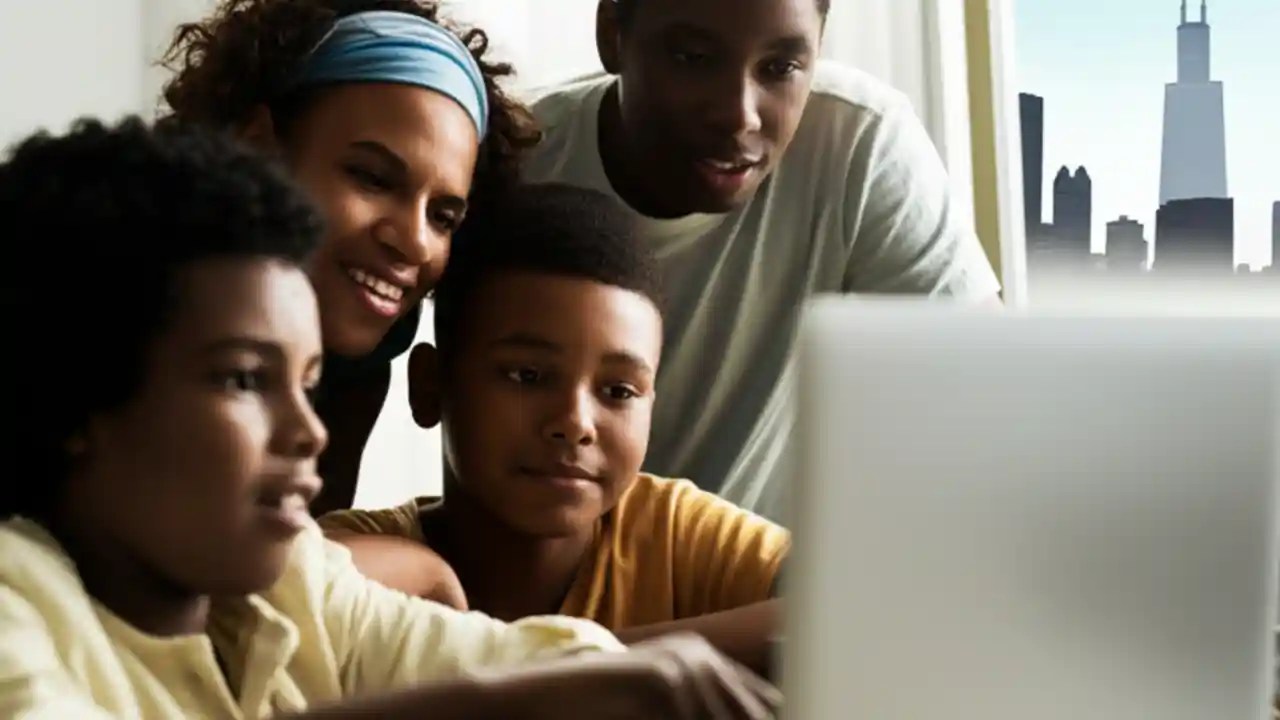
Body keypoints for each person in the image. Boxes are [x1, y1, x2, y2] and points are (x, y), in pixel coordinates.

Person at [0, 118, 782, 719]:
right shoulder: (15, 601)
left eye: (307, 384)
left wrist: (607, 678)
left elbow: (507, 660)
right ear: (81, 395)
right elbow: (498, 693)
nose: (307, 432)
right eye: (243, 379)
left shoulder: (294, 588)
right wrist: (493, 703)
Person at [522, 0, 1003, 521]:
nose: (738, 114)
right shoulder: (511, 155)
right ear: (612, 33)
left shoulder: (858, 143)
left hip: (767, 587)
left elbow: (995, 402)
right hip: (516, 594)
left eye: (780, 68)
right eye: (693, 57)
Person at [320, 183, 789, 677]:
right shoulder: (380, 552)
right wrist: (431, 576)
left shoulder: (676, 537)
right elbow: (282, 594)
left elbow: (860, 615)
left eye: (618, 392)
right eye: (528, 376)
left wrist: (570, 668)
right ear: (430, 386)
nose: (574, 423)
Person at [162, 0, 542, 515]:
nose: (412, 242)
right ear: (258, 146)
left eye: (443, 217)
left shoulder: (356, 363)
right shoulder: (112, 303)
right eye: (372, 178)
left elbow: (296, 565)